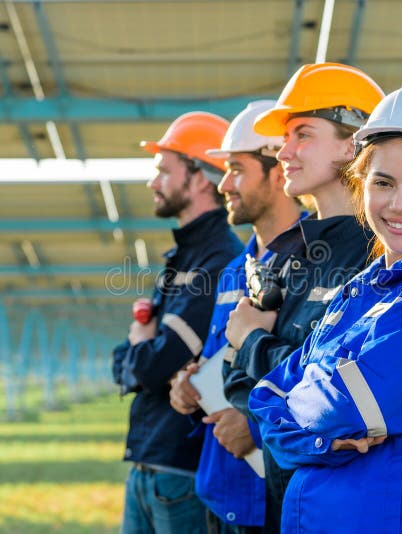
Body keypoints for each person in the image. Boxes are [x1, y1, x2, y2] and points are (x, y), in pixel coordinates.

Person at [248, 80, 402, 533]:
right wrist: (321, 431)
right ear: (361, 184)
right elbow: (266, 399)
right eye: (383, 183)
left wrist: (311, 396)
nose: (399, 204)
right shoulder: (359, 290)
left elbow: (351, 405)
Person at [220, 63, 384, 532]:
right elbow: (240, 385)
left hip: (347, 508)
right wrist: (272, 367)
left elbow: (339, 400)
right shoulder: (292, 256)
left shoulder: (380, 256)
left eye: (302, 135)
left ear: (353, 145)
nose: (284, 152)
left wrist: (254, 343)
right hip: (290, 501)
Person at [168, 100, 303, 533]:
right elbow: (223, 366)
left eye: (238, 170)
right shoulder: (231, 273)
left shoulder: (317, 268)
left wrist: (257, 429)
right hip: (222, 492)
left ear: (279, 173)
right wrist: (190, 386)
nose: (223, 183)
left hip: (274, 499)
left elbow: (321, 384)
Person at [111, 111, 243, 534]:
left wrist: (137, 350)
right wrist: (138, 352)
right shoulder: (184, 259)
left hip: (181, 470)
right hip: (150, 462)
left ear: (201, 176)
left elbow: (153, 363)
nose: (153, 183)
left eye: (163, 171)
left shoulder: (219, 259)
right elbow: (136, 362)